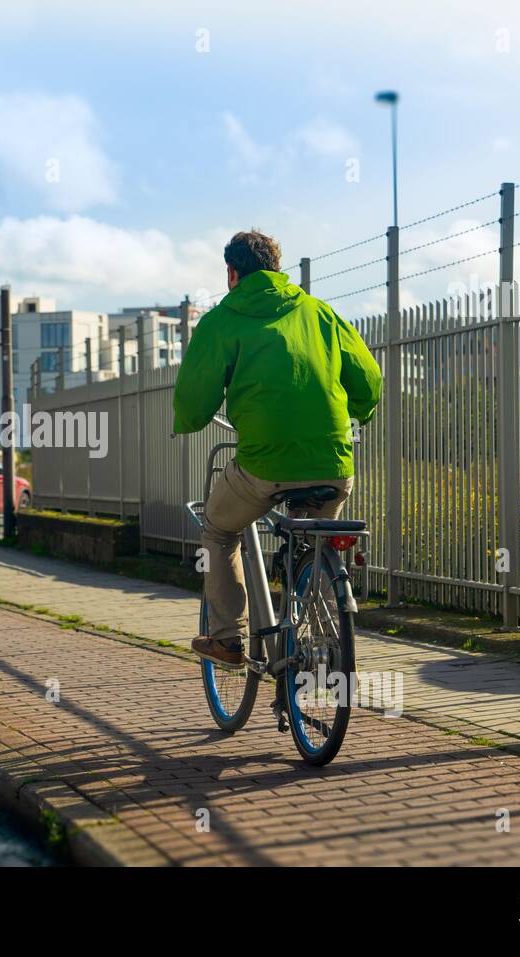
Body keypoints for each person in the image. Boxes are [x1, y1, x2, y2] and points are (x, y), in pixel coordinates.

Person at [172, 230, 383, 668]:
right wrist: (355, 413)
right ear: (277, 269)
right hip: (333, 462)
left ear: (232, 273)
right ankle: (326, 648)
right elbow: (369, 380)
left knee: (218, 529)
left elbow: (194, 401)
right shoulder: (319, 312)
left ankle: (228, 639)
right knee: (316, 541)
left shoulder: (221, 321)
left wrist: (186, 423)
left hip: (264, 466)